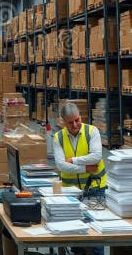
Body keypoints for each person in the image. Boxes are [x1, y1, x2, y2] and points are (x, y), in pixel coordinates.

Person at [52, 102, 106, 255]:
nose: (75, 124)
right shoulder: (58, 138)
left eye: (77, 120)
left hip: (95, 189)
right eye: (70, 122)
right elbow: (61, 165)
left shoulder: (92, 131)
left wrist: (73, 160)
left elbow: (96, 156)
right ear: (63, 122)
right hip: (71, 193)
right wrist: (85, 167)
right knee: (76, 234)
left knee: (96, 233)